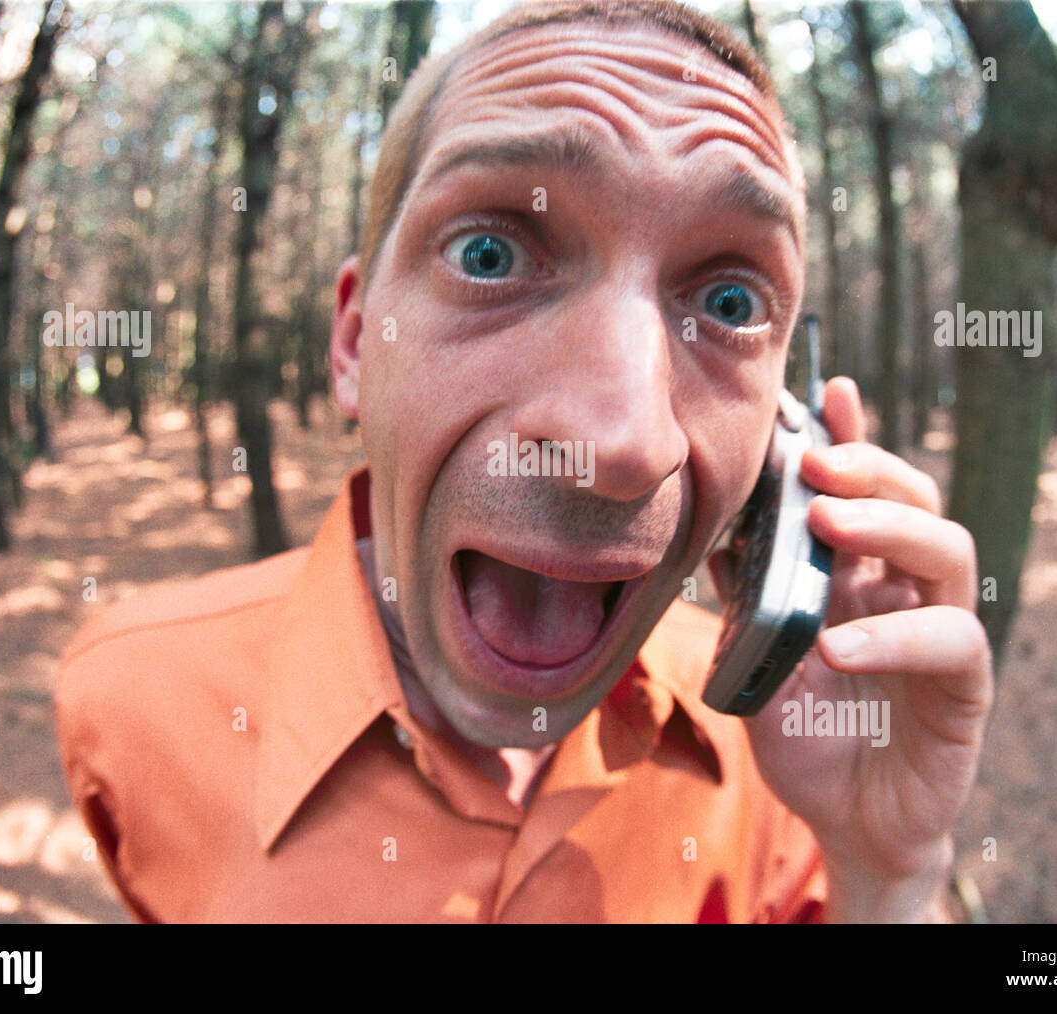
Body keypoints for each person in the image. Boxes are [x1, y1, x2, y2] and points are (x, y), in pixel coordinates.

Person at [56, 0, 993, 923]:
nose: (620, 443)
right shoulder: (130, 705)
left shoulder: (789, 745)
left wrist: (889, 878)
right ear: (353, 344)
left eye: (733, 305)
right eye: (491, 254)